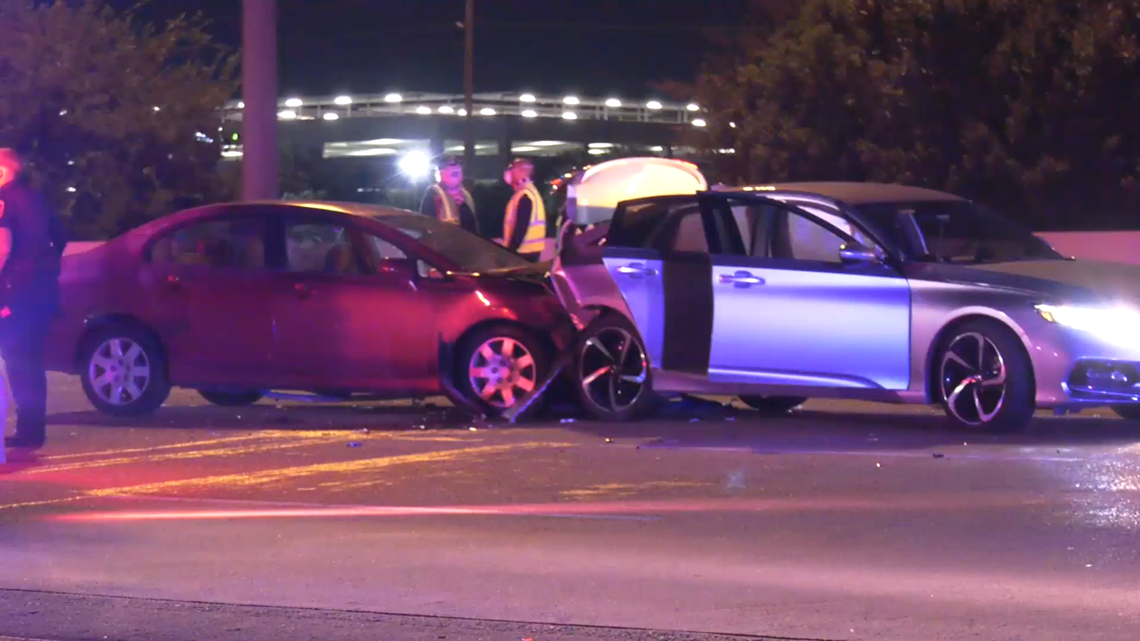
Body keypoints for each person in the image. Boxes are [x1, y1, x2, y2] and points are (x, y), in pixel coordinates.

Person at [0, 148, 66, 452]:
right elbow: (60, 237)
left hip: (14, 291)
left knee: (17, 361)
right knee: (32, 361)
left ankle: (26, 431)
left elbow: (1, 248)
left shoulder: (4, 201)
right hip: (41, 291)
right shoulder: (36, 199)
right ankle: (33, 429)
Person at [499, 158, 548, 261]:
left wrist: (510, 251)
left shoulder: (525, 195)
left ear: (520, 172)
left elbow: (521, 226)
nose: (508, 173)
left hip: (522, 252)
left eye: (512, 169)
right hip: (531, 250)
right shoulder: (531, 192)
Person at [420, 156, 478, 235]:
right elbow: (426, 225)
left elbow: (472, 227)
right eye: (453, 174)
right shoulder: (433, 195)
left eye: (458, 173)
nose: (457, 177)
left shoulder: (466, 196)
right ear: (440, 173)